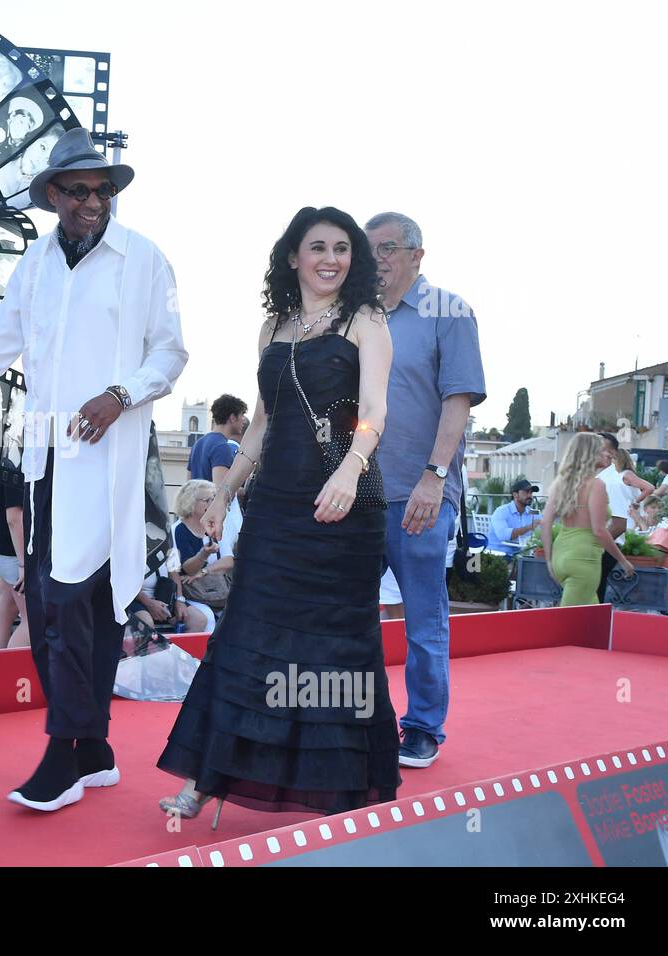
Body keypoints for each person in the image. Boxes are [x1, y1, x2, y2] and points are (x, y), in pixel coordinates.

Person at [0, 129, 186, 812]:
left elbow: (171, 353)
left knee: (67, 606)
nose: (94, 202)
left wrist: (119, 395)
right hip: (43, 462)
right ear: (54, 195)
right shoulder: (34, 264)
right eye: (79, 191)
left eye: (104, 190)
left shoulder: (144, 260)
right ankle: (92, 748)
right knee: (67, 605)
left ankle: (63, 751)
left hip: (110, 462)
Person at [158, 206, 397, 823]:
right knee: (248, 638)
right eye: (317, 247)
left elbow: (374, 409)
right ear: (293, 256)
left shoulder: (366, 321)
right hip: (276, 508)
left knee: (335, 646)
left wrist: (349, 469)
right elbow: (262, 423)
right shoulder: (273, 329)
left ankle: (337, 784)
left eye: (342, 248)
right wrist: (226, 489)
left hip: (343, 507)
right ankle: (210, 776)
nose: (330, 259)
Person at [365, 211, 485, 770]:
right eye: (371, 250)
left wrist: (434, 479)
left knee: (422, 617)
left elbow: (457, 401)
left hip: (420, 496)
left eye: (388, 248)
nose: (378, 259)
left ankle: (422, 726)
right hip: (359, 494)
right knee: (349, 615)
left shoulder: (450, 313)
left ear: (417, 254)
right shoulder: (359, 315)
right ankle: (360, 719)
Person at [541, 433, 636, 606]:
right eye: (601, 450)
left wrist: (548, 559)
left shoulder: (561, 483)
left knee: (591, 616)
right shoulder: (596, 484)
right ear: (590, 454)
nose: (607, 454)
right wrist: (623, 561)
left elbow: (545, 522)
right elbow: (599, 530)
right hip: (584, 557)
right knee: (570, 622)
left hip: (561, 554)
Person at [594, 433, 654, 601]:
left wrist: (635, 502)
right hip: (609, 539)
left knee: (595, 592)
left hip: (608, 542)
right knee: (595, 591)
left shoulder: (619, 478)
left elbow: (649, 487)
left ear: (613, 454)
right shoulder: (607, 478)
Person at [172, 479, 233, 614]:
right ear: (190, 502)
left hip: (217, 592)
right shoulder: (177, 530)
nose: (212, 504)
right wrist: (203, 554)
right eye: (207, 500)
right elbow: (187, 569)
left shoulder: (216, 526)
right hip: (192, 593)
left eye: (214, 499)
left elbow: (229, 561)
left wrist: (204, 571)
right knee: (208, 619)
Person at [0, 479, 30, 649]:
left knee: (5, 610)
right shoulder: (17, 459)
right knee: (32, 623)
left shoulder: (6, 459)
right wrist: (24, 565)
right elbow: (14, 517)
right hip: (13, 554)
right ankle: (9, 673)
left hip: (1, 549)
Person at [188, 395, 248, 484]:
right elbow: (220, 489)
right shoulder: (222, 447)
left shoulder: (198, 443)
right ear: (232, 418)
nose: (243, 420)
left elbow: (188, 483)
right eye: (242, 415)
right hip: (211, 497)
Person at [488, 478, 541, 556]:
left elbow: (545, 529)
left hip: (521, 555)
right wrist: (530, 527)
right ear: (515, 494)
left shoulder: (533, 512)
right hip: (498, 554)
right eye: (526, 492)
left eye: (531, 493)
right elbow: (503, 535)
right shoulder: (501, 511)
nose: (530, 496)